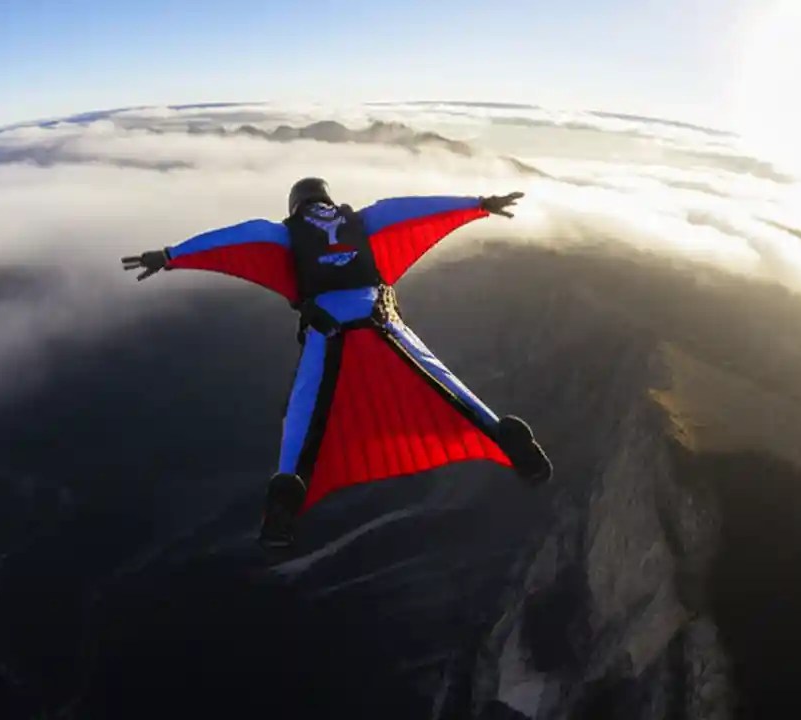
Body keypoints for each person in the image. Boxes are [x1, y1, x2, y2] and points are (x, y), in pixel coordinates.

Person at [122, 178, 552, 549]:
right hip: (380, 316)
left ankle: (285, 499)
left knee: (305, 413)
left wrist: (170, 255)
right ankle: (508, 440)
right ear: (328, 198)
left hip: (326, 326)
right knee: (439, 379)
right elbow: (414, 210)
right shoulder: (366, 220)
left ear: (296, 206)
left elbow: (235, 239)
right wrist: (478, 205)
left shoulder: (283, 235)